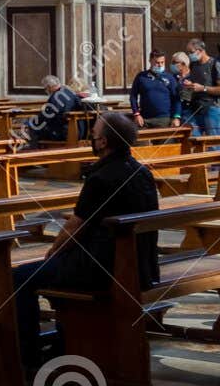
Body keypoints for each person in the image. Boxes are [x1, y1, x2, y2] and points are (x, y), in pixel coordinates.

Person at [13, 111, 158, 372]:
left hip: (100, 267)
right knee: (48, 271)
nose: (91, 138)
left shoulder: (101, 176)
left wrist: (54, 250)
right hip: (140, 263)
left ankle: (29, 357)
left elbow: (76, 226)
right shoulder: (141, 171)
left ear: (103, 142)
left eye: (93, 134)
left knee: (19, 277)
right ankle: (64, 342)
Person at [14, 74, 85, 146]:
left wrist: (29, 123)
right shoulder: (69, 92)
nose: (46, 91)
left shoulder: (55, 98)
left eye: (45, 89)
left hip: (64, 133)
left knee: (33, 128)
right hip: (79, 131)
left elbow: (45, 117)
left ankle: (34, 149)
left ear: (49, 87)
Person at [129, 49, 180, 128]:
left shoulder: (170, 78)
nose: (160, 65)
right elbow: (133, 96)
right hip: (144, 119)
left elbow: (177, 99)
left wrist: (176, 117)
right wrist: (136, 114)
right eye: (157, 62)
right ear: (150, 61)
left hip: (164, 120)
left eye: (162, 62)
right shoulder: (141, 76)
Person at [180, 38, 220, 135]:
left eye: (191, 52)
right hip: (194, 108)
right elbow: (194, 84)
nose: (189, 55)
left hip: (211, 109)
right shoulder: (193, 65)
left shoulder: (214, 64)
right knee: (194, 139)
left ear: (201, 50)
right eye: (188, 52)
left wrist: (202, 88)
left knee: (213, 140)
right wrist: (189, 85)